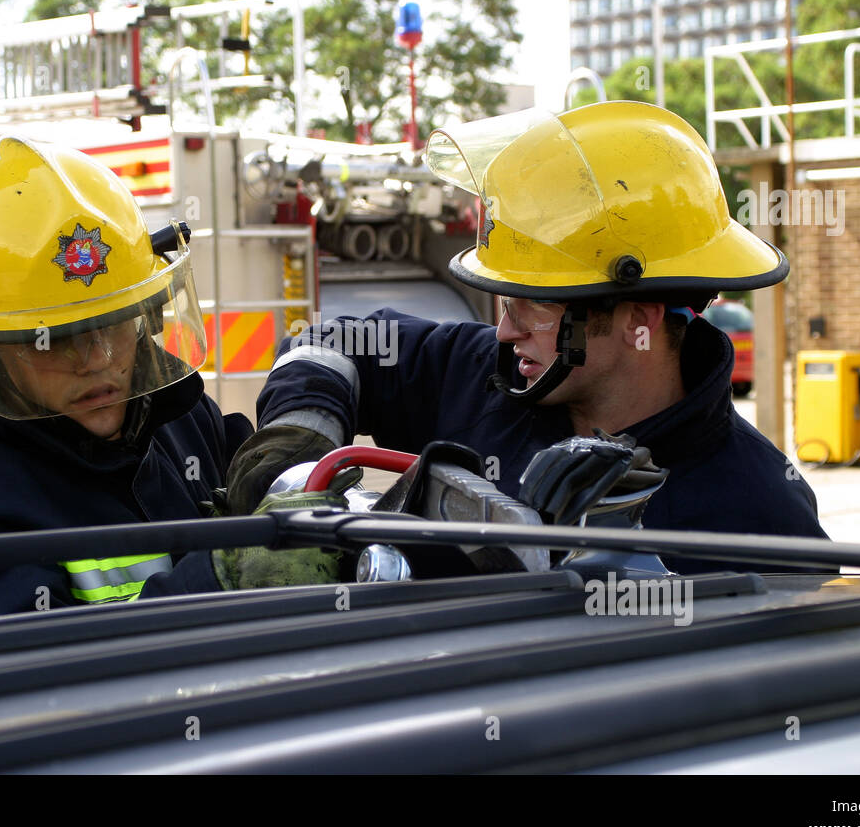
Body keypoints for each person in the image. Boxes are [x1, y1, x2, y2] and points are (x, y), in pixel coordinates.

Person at [226, 101, 826, 573]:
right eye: (503, 302)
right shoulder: (487, 376)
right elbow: (339, 339)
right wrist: (298, 440)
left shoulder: (762, 511)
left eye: (534, 306)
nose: (505, 330)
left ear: (638, 320)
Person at [0, 136, 249, 628]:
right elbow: (45, 689)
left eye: (114, 322)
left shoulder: (183, 421)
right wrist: (219, 580)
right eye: (50, 340)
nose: (97, 360)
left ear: (149, 315)